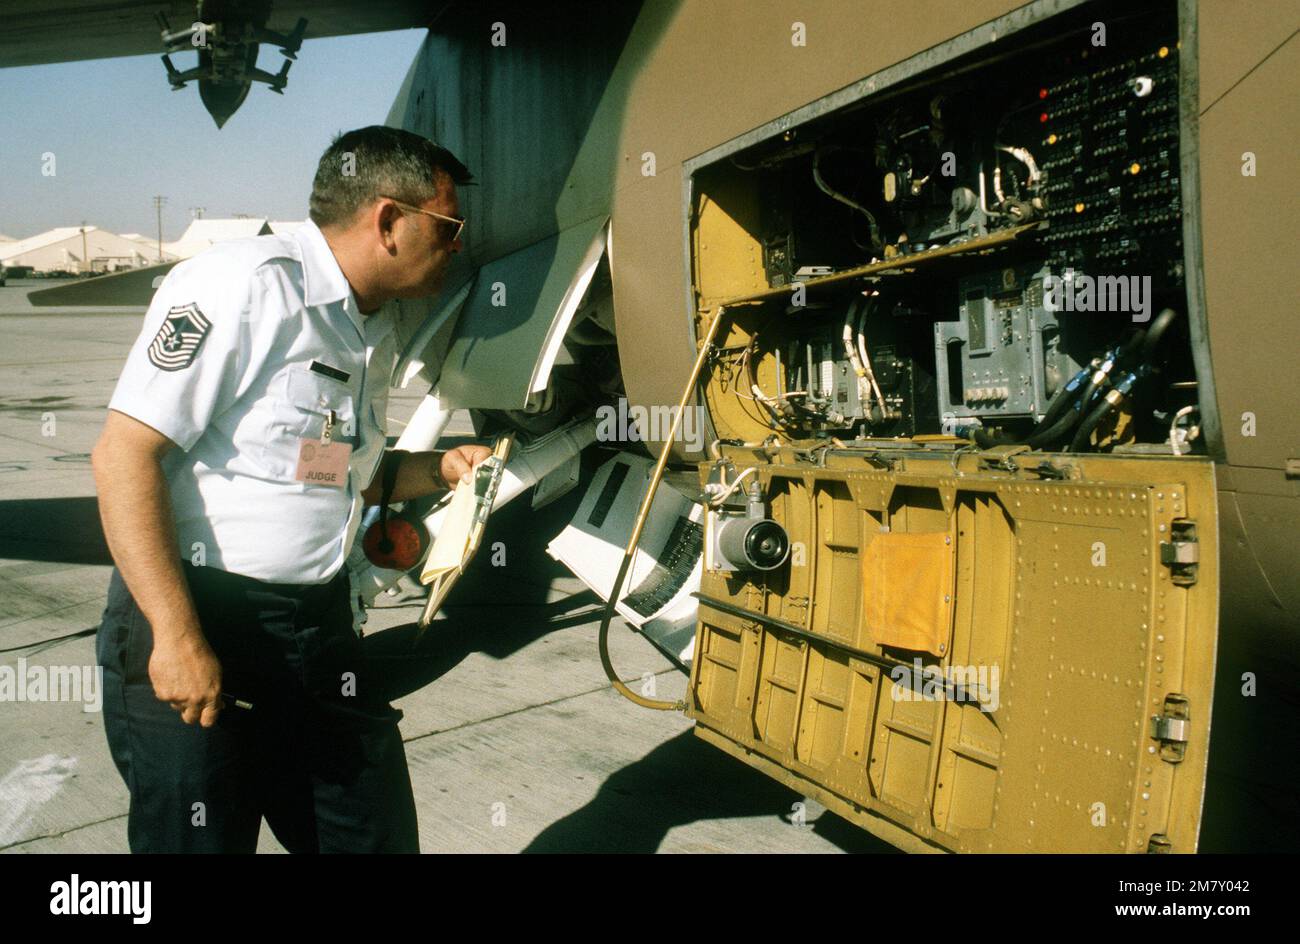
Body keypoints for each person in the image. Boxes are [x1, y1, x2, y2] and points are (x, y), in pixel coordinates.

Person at [92, 126, 490, 853]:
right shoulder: (244, 285)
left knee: (372, 839)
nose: (459, 243)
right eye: (450, 225)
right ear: (390, 221)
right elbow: (124, 457)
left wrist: (441, 469)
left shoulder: (370, 326)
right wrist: (178, 639)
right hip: (198, 619)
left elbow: (326, 469)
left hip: (314, 635)